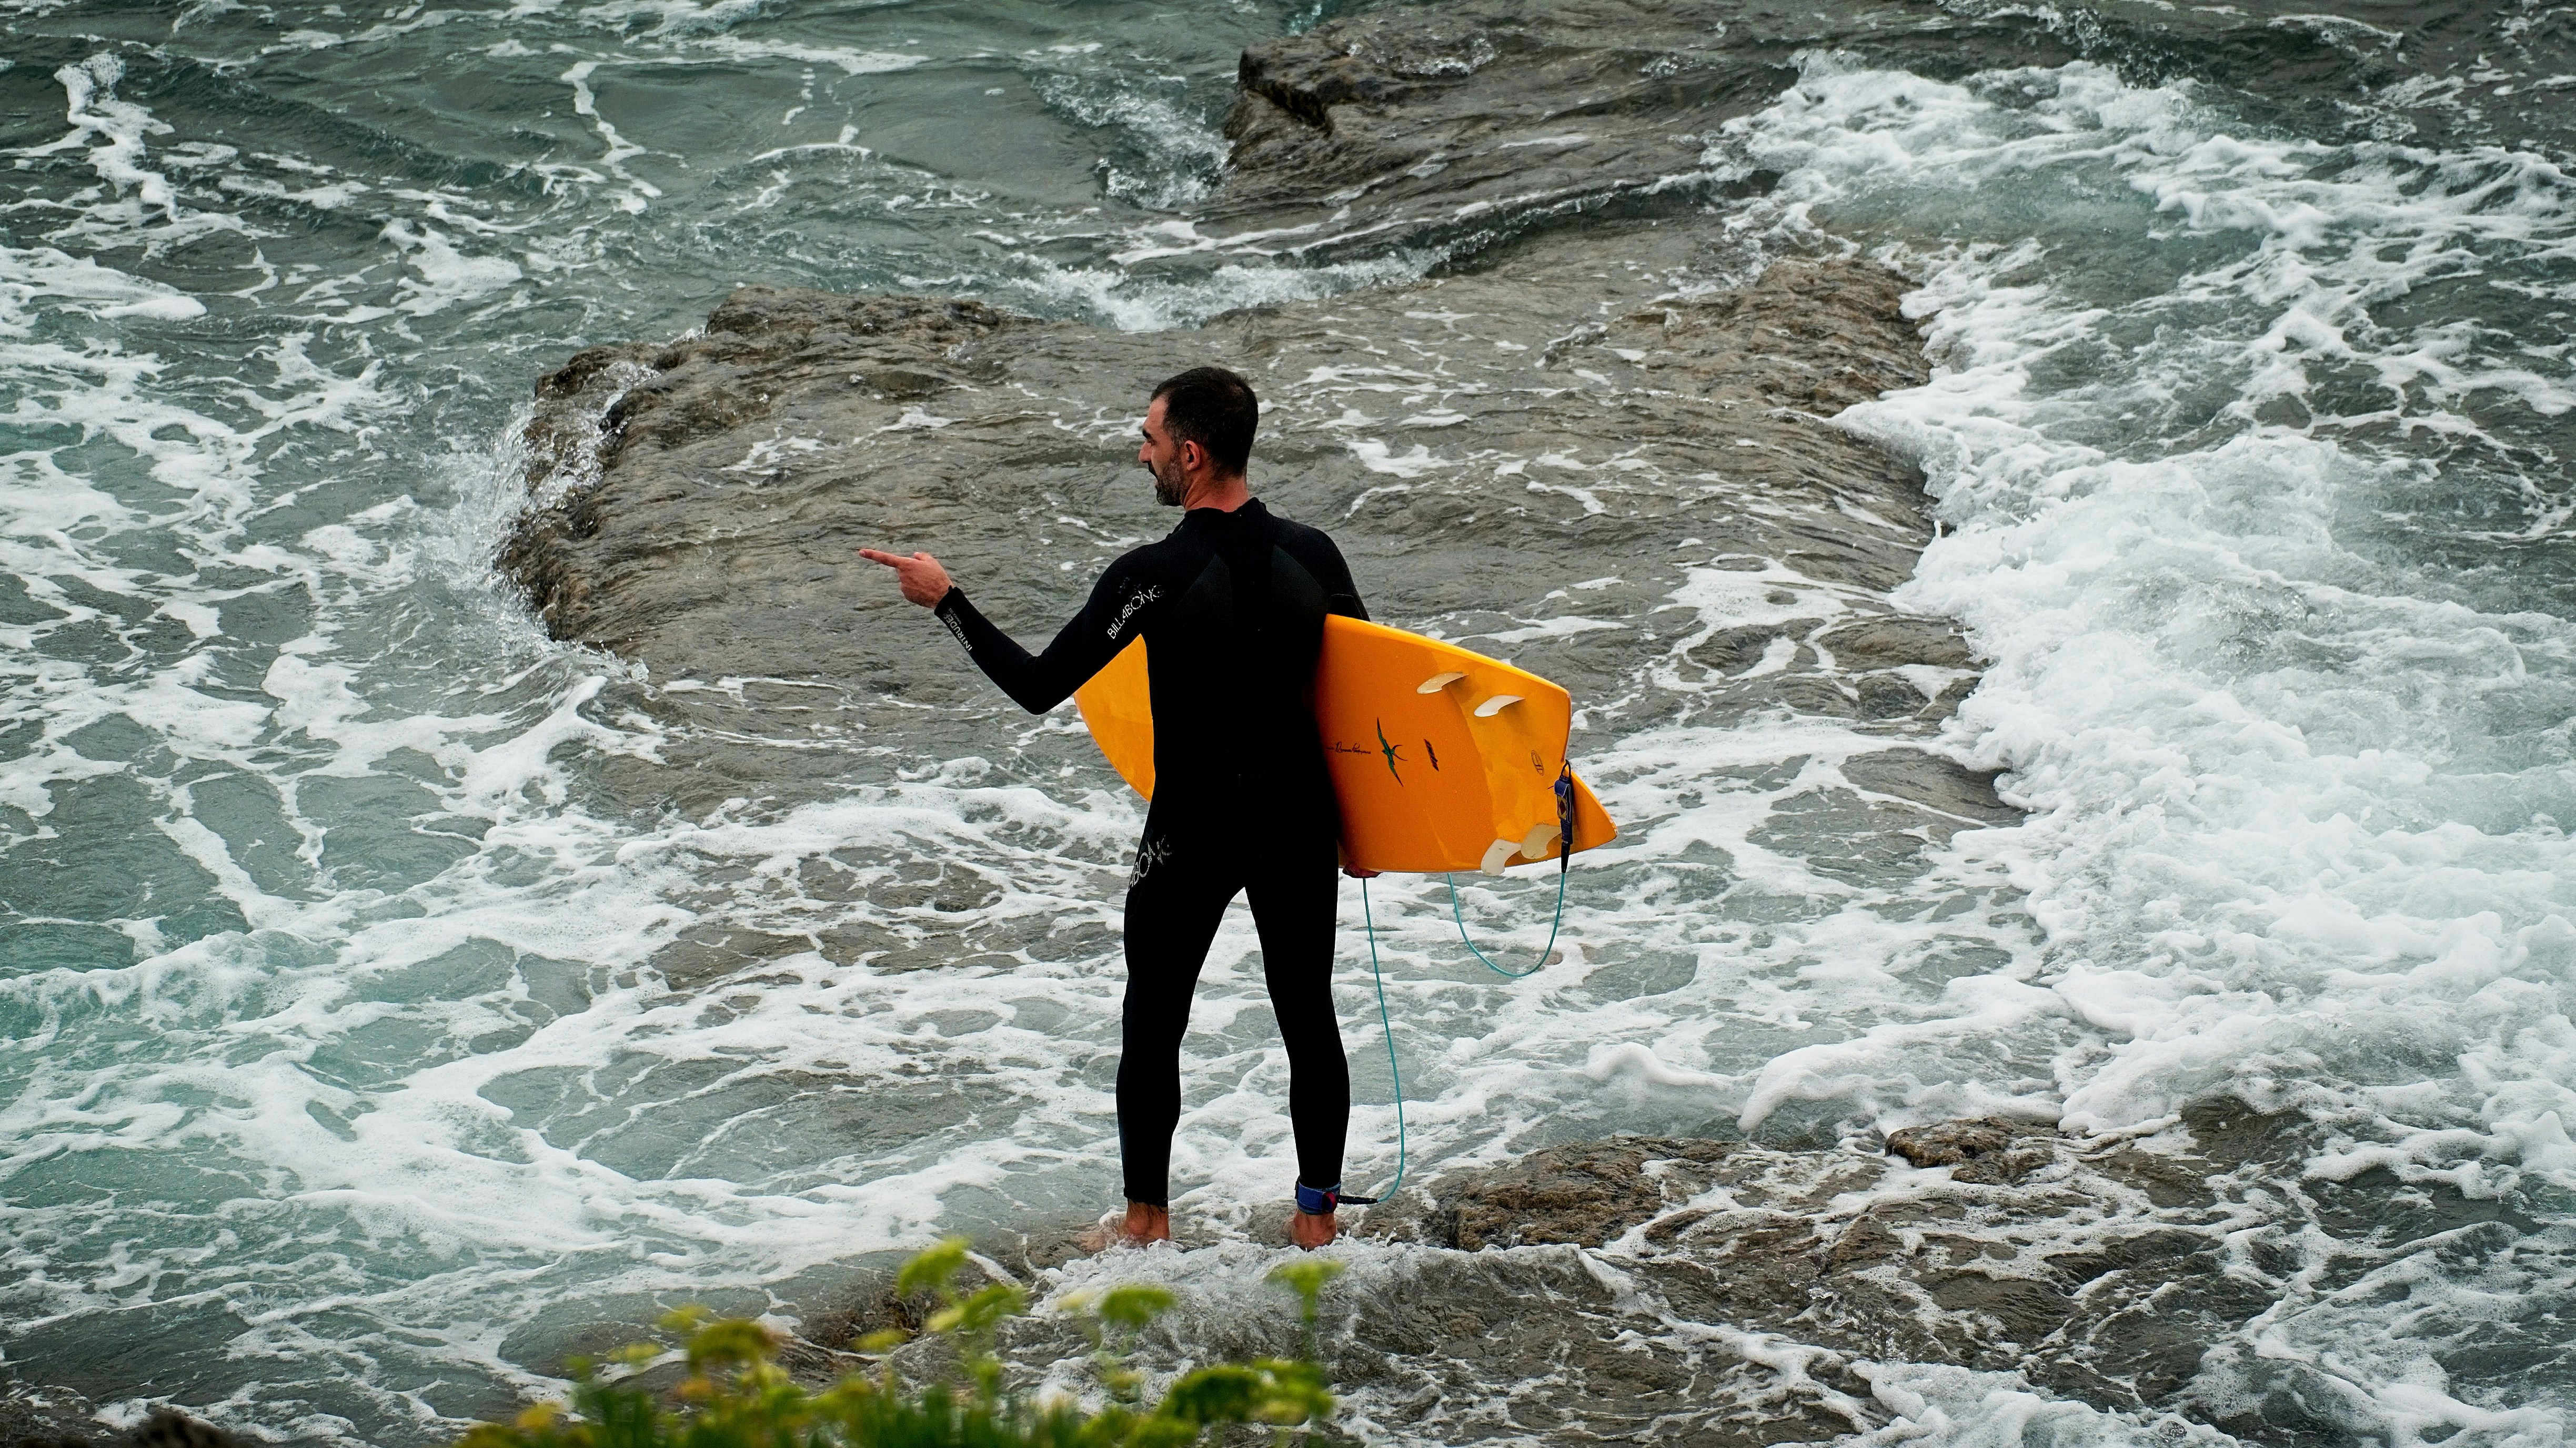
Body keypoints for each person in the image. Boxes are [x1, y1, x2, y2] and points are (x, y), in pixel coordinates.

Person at [859, 366, 1371, 1252]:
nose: (1143, 452)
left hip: (1193, 830)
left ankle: (1145, 1223)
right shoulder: (1315, 556)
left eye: (1150, 437)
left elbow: (1037, 686)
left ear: (1192, 452)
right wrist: (1365, 830)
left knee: (1154, 1021)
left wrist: (948, 602)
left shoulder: (1154, 572)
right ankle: (1316, 1221)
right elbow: (1365, 701)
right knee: (1309, 1017)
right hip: (1297, 824)